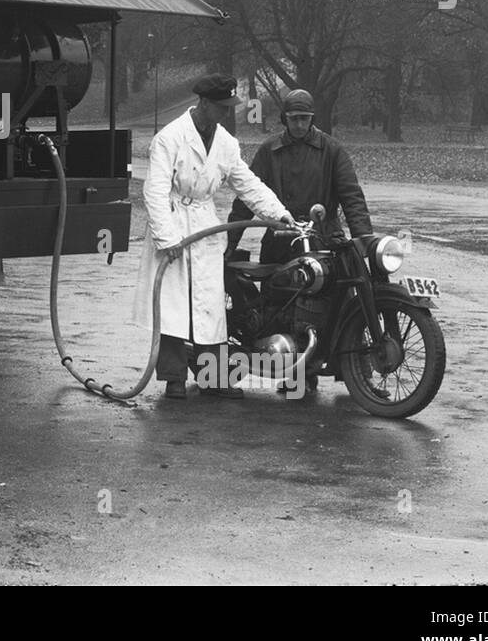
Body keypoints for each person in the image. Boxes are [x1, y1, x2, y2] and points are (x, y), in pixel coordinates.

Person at [133, 74, 295, 400]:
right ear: (204, 103)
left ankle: (213, 377)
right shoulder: (169, 138)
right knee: (174, 308)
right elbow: (155, 191)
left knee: (210, 305)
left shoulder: (226, 143)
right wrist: (167, 237)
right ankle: (174, 378)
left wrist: (279, 214)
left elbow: (247, 184)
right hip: (175, 223)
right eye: (221, 107)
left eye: (229, 107)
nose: (226, 114)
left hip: (205, 226)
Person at [227, 88, 374, 393]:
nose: (298, 125)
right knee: (281, 307)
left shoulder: (331, 150)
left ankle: (360, 375)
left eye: (304, 119)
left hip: (323, 238)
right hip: (281, 239)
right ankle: (297, 376)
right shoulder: (269, 151)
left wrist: (362, 236)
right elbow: (247, 198)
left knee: (345, 302)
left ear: (312, 119)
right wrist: (230, 240)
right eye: (293, 119)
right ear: (285, 119)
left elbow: (351, 194)